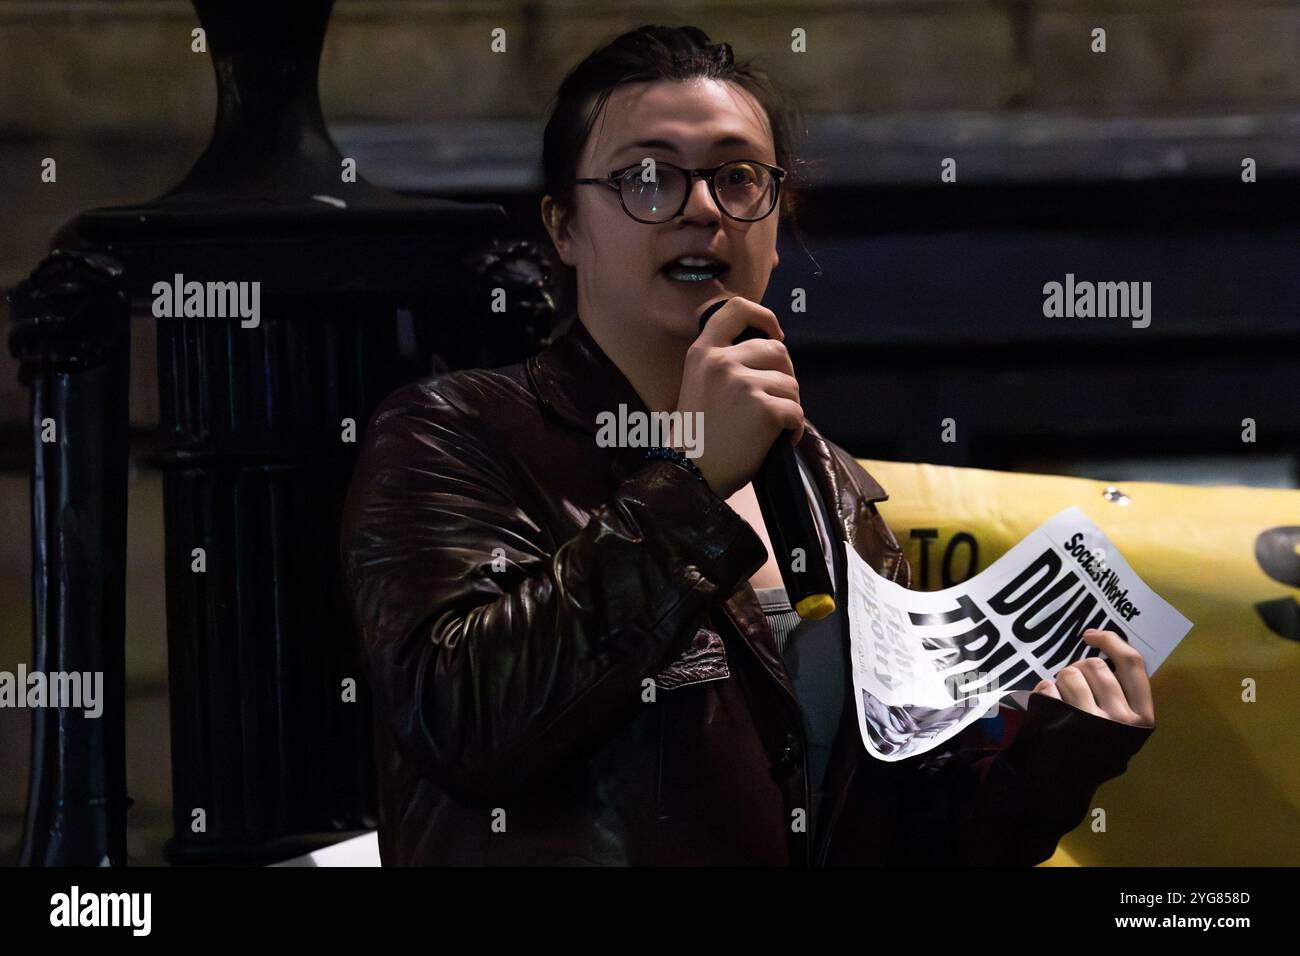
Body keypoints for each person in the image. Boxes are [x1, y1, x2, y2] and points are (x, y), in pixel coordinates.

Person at [339, 24, 1156, 866]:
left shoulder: (827, 483)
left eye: (737, 178)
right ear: (564, 228)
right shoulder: (457, 431)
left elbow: (891, 835)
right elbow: (466, 723)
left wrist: (1057, 757)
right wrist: (690, 484)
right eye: (647, 178)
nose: (701, 209)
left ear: (776, 222)